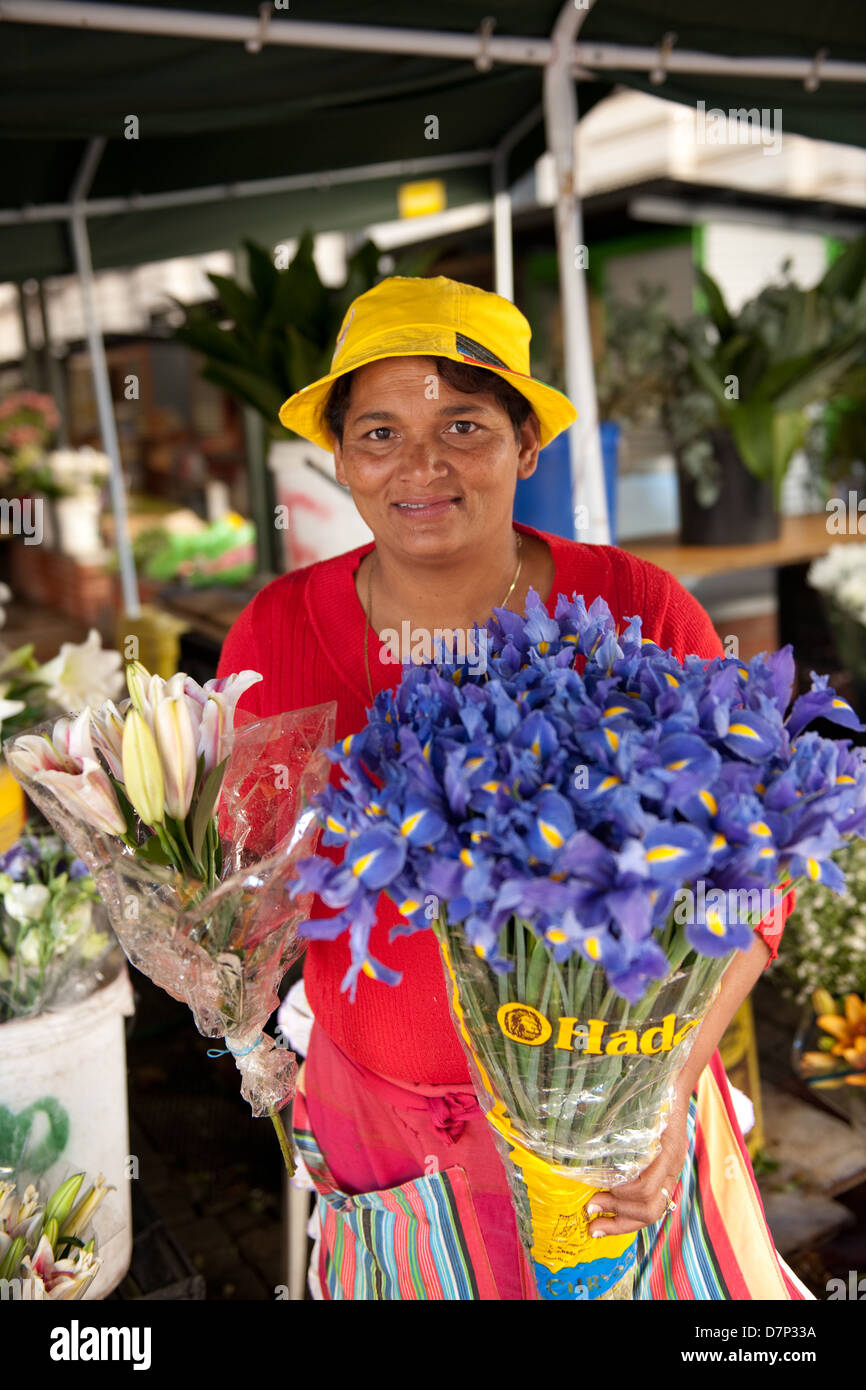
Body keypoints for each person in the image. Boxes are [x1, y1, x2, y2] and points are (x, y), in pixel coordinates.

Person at [216, 275, 808, 1301]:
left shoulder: (633, 608)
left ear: (527, 446)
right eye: (378, 432)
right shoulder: (273, 632)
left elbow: (748, 889)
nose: (421, 465)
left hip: (619, 1121)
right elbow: (252, 873)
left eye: (463, 424)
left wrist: (663, 1095)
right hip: (383, 1125)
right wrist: (222, 968)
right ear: (340, 460)